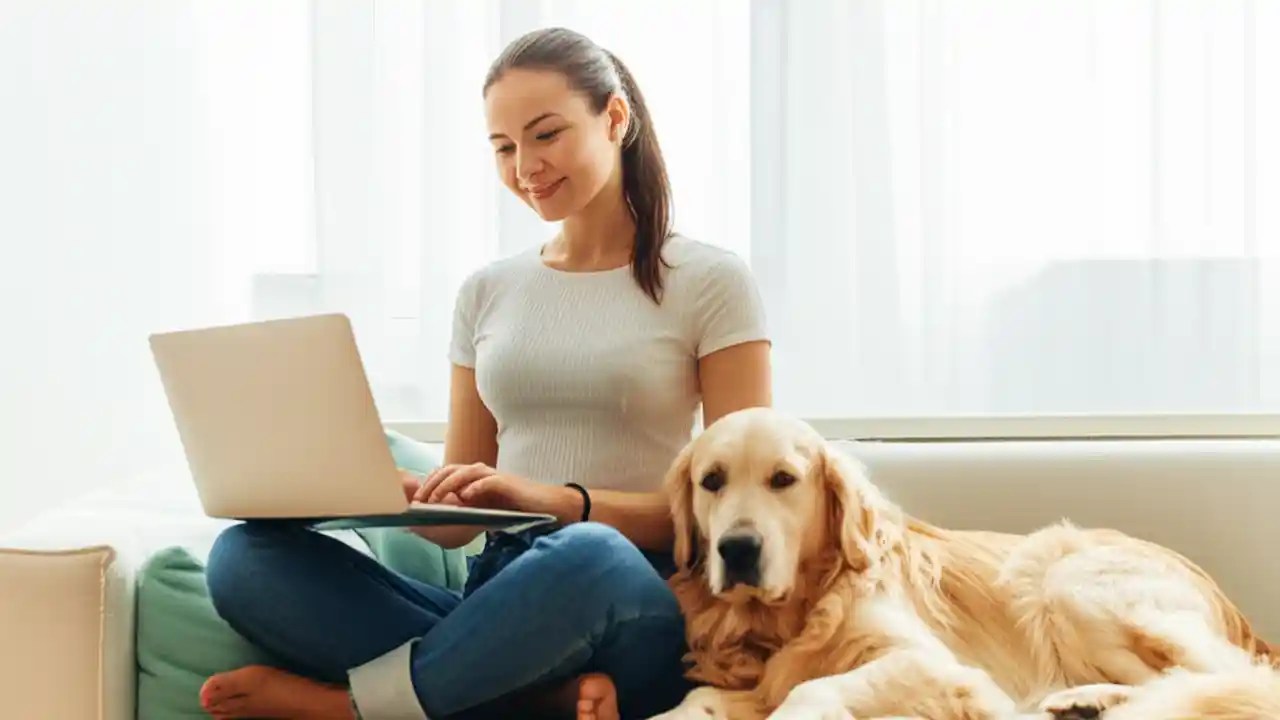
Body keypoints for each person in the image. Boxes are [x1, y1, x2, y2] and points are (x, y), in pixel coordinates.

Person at [198, 26, 771, 720]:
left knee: (586, 553)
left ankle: (353, 710)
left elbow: (739, 512)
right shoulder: (487, 291)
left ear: (615, 118)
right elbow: (457, 527)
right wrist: (400, 494)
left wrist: (556, 501)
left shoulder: (710, 282)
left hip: (631, 591)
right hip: (499, 598)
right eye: (503, 147)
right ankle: (533, 701)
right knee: (243, 559)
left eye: (546, 134)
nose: (525, 165)